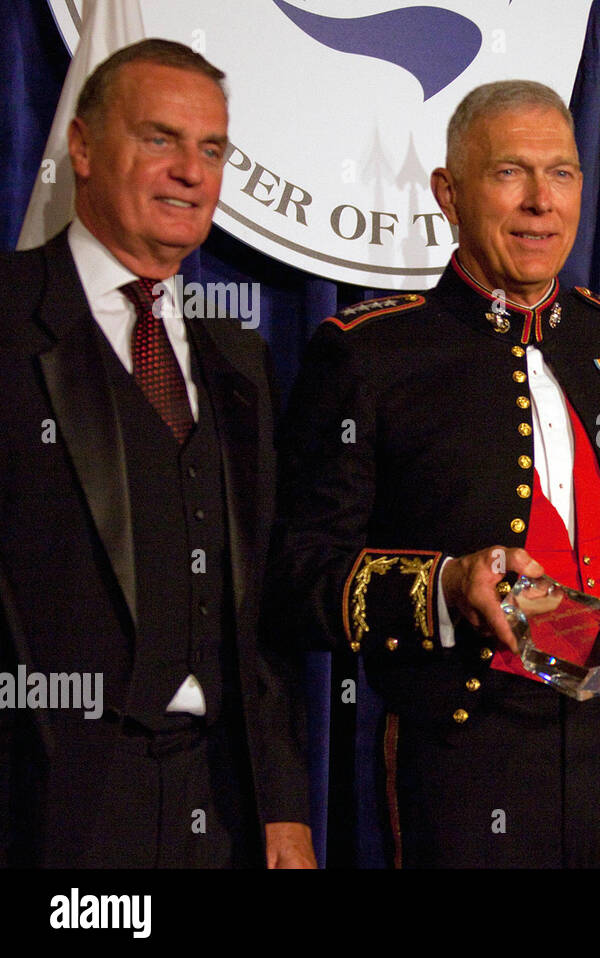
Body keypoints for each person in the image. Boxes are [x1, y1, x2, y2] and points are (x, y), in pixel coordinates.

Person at [269, 80, 600, 867]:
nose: (541, 201)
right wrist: (445, 586)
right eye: (510, 173)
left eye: (562, 174)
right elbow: (300, 578)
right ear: (448, 193)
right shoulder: (370, 355)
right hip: (472, 763)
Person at [0, 39, 314, 867]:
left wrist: (283, 805)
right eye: (159, 139)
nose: (190, 170)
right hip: (46, 809)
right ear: (82, 148)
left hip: (219, 807)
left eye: (210, 149)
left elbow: (263, 619)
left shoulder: (238, 356)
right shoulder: (6, 318)